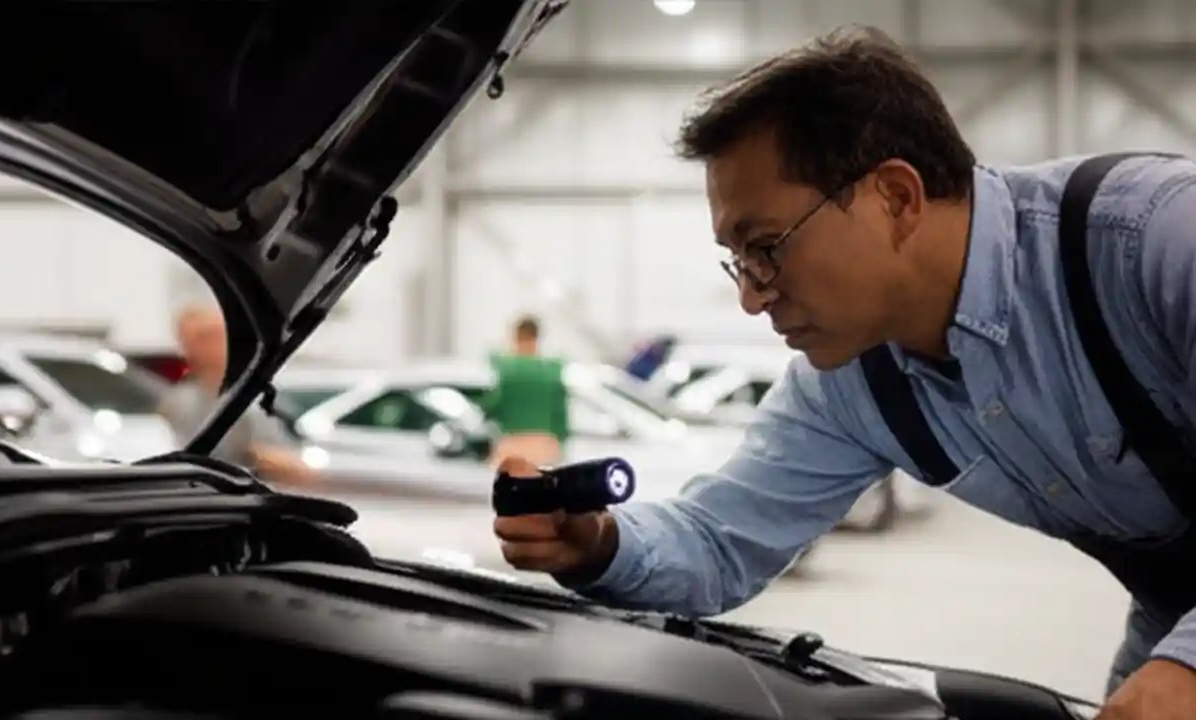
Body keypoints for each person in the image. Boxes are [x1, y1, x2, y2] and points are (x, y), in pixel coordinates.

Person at [492, 25, 1196, 719]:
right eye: (737, 260)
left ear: (895, 198)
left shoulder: (1158, 243)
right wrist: (599, 545)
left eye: (766, 247)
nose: (751, 295)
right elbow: (719, 541)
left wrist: (1184, 670)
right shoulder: (854, 384)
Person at [157, 302, 318, 488]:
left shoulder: (261, 395)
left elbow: (291, 460)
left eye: (219, 334)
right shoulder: (179, 403)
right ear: (185, 345)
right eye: (203, 337)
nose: (215, 344)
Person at [478, 315, 569, 468]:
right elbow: (561, 414)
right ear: (537, 337)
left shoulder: (506, 368)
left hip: (513, 445)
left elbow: (491, 407)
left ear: (516, 337)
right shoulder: (552, 370)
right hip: (546, 445)